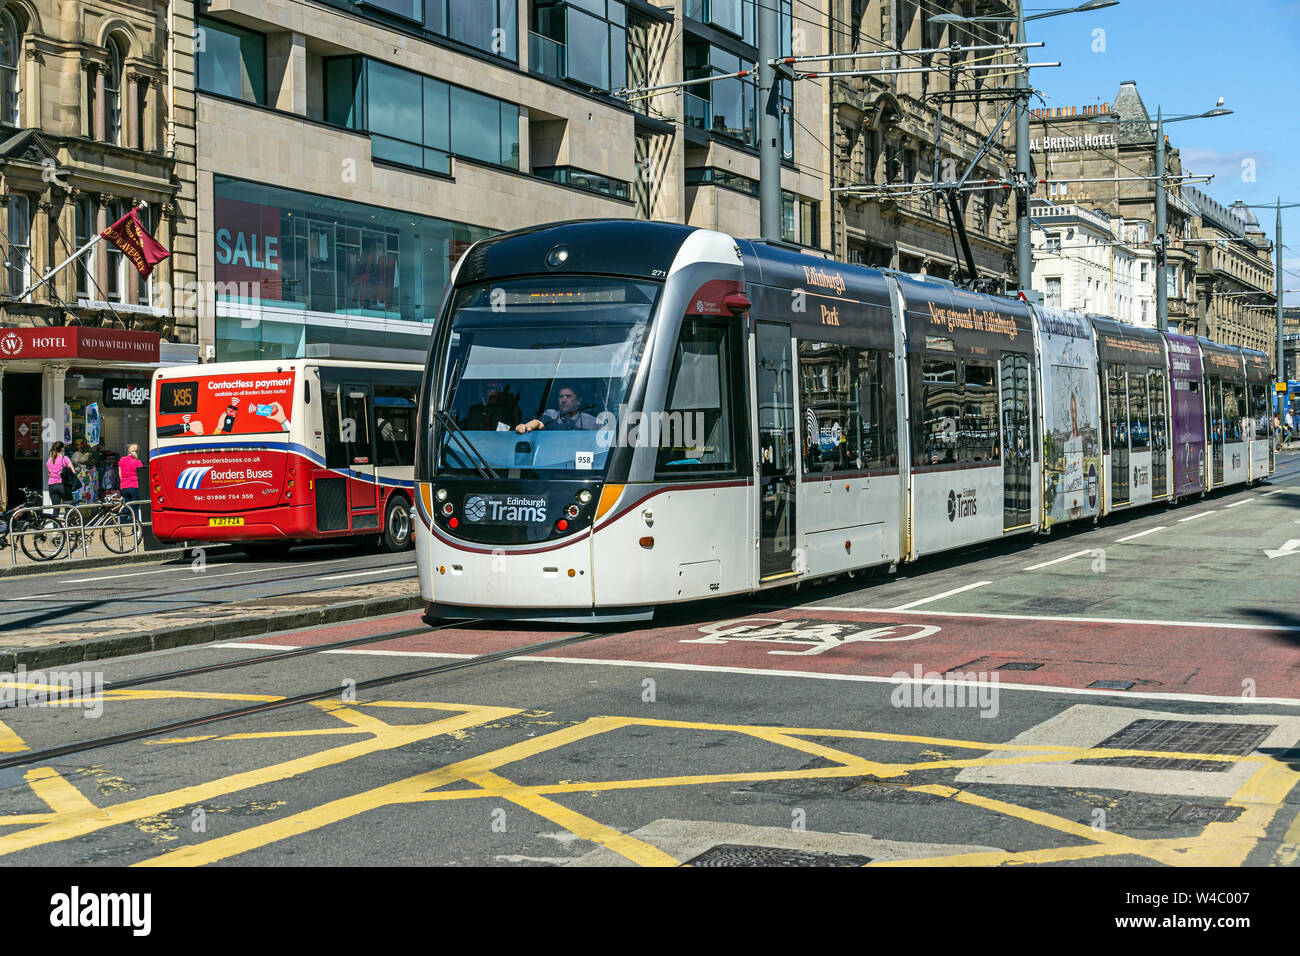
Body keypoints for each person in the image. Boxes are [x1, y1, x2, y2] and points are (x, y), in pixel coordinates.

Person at [517, 384, 599, 433]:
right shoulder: (552, 415)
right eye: (561, 396)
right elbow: (538, 423)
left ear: (578, 401)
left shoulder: (591, 422)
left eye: (568, 396)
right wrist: (525, 426)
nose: (564, 400)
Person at [46, 442, 74, 506]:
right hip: (62, 485)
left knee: (55, 509)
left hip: (51, 486)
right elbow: (73, 471)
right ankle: (67, 516)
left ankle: (55, 516)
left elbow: (49, 473)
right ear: (62, 449)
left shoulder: (49, 461)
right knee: (69, 507)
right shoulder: (65, 459)